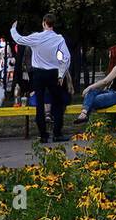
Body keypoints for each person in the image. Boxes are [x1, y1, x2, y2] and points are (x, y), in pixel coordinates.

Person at [11, 14, 72, 144]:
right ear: (53, 24)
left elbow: (19, 40)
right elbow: (66, 58)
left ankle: (43, 135)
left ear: (44, 23)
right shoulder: (59, 39)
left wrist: (13, 29)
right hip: (53, 73)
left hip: (38, 74)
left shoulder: (36, 37)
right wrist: (61, 74)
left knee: (40, 103)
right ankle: (57, 133)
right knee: (57, 102)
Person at [75, 46, 116, 124]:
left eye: (110, 54)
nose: (109, 56)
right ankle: (84, 114)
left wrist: (88, 87)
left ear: (114, 54)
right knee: (91, 92)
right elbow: (108, 83)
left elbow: (105, 81)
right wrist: (93, 90)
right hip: (110, 92)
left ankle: (84, 114)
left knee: (91, 99)